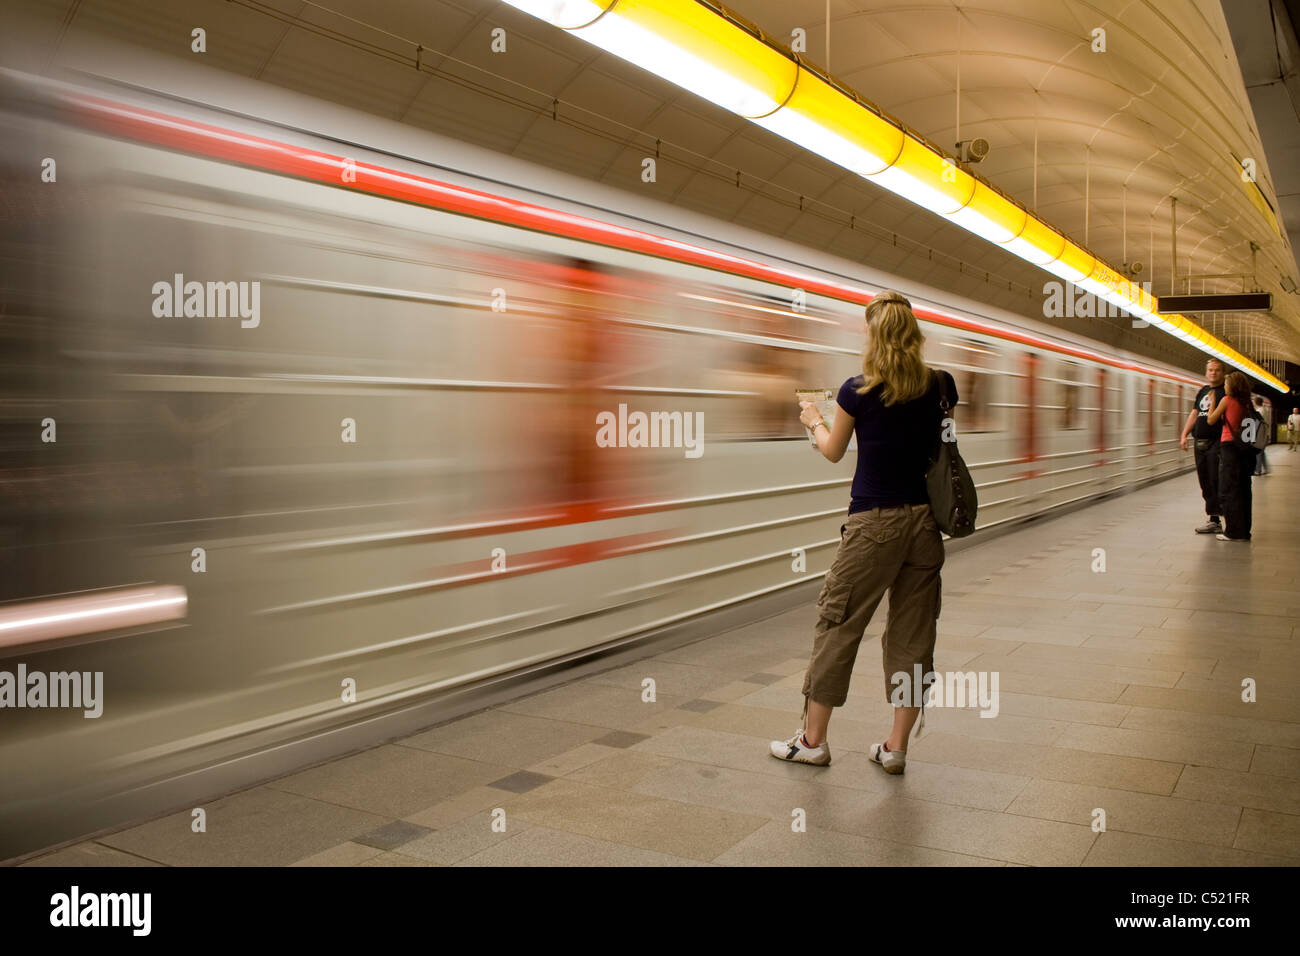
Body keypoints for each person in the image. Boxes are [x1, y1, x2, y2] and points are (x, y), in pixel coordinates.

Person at [770, 290, 956, 775]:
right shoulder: (941, 386)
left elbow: (832, 451)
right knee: (914, 635)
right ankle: (895, 748)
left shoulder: (857, 391)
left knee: (839, 623)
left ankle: (812, 741)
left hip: (874, 522)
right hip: (924, 525)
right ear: (913, 335)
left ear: (874, 336)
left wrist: (814, 421)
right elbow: (939, 445)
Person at [1179, 359, 1226, 534]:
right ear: (1206, 372)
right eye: (1210, 370)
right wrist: (1184, 434)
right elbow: (1195, 413)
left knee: (1216, 480)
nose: (1213, 373)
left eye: (1217, 370)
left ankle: (1222, 516)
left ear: (1223, 373)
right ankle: (1213, 518)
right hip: (1200, 442)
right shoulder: (1203, 391)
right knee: (1205, 481)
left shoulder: (1225, 392)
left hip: (1217, 442)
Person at [1207, 371, 1255, 541]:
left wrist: (1213, 402)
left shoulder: (1226, 400)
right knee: (1244, 490)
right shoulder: (1248, 403)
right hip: (1245, 450)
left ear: (1233, 386)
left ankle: (1233, 532)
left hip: (1229, 449)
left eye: (1227, 384)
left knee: (1228, 490)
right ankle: (1244, 530)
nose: (1225, 387)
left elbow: (1211, 420)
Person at [1252, 397, 1270, 476]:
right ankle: (1266, 469)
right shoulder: (1265, 410)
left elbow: (1257, 424)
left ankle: (1258, 470)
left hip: (1260, 435)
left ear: (1255, 403)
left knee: (1258, 452)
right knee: (1261, 453)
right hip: (1265, 434)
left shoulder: (1259, 411)